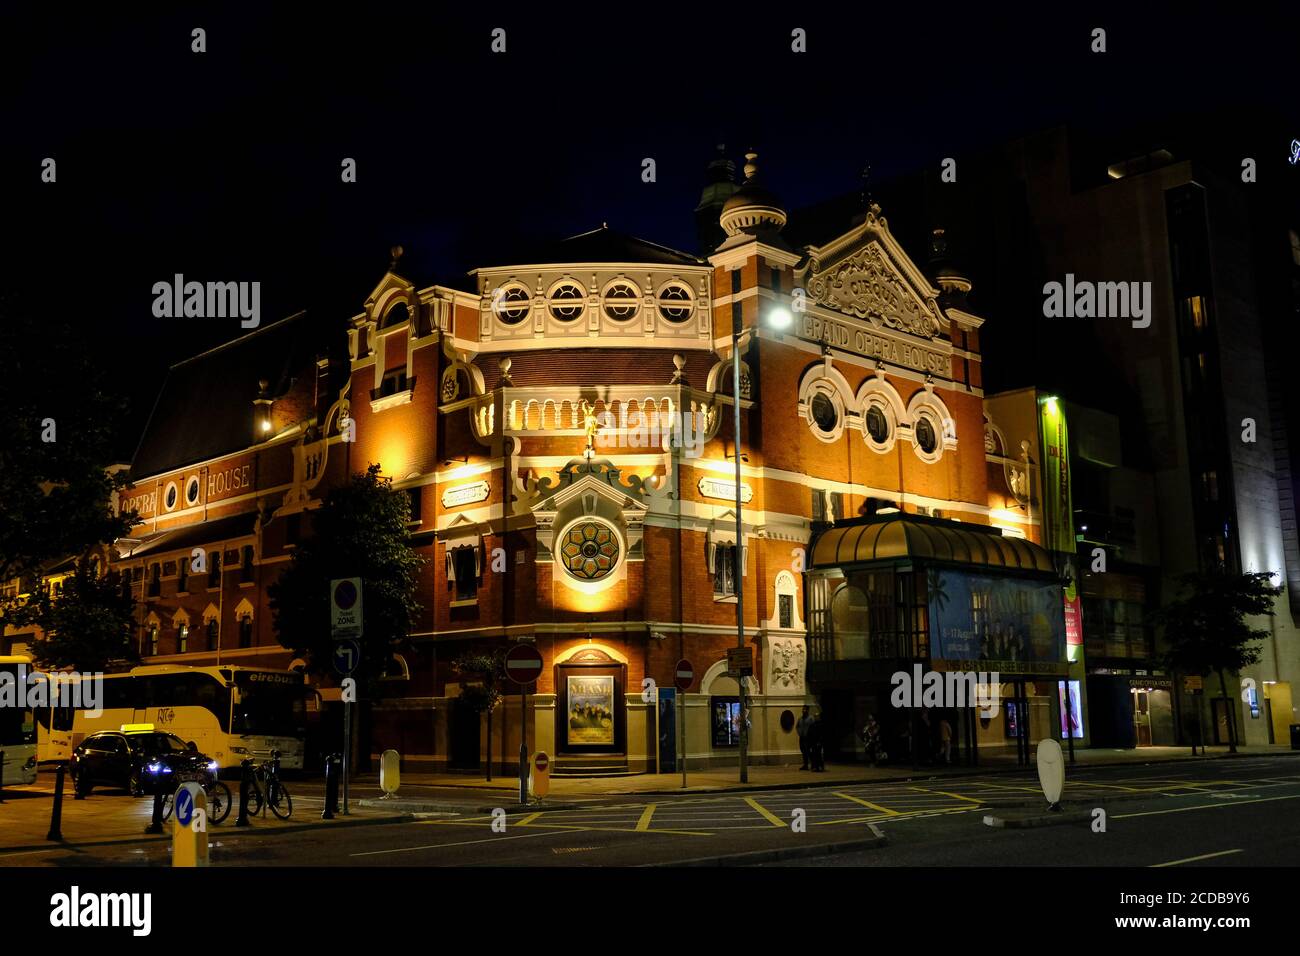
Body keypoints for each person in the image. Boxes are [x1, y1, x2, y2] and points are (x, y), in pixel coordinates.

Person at [796, 705, 812, 770]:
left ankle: (813, 764)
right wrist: (799, 733)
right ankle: (805, 765)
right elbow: (797, 726)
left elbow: (813, 727)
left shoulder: (811, 718)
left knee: (808, 751)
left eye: (805, 709)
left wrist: (810, 734)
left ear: (808, 710)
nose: (803, 710)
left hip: (808, 737)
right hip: (802, 737)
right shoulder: (800, 718)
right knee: (803, 751)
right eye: (803, 709)